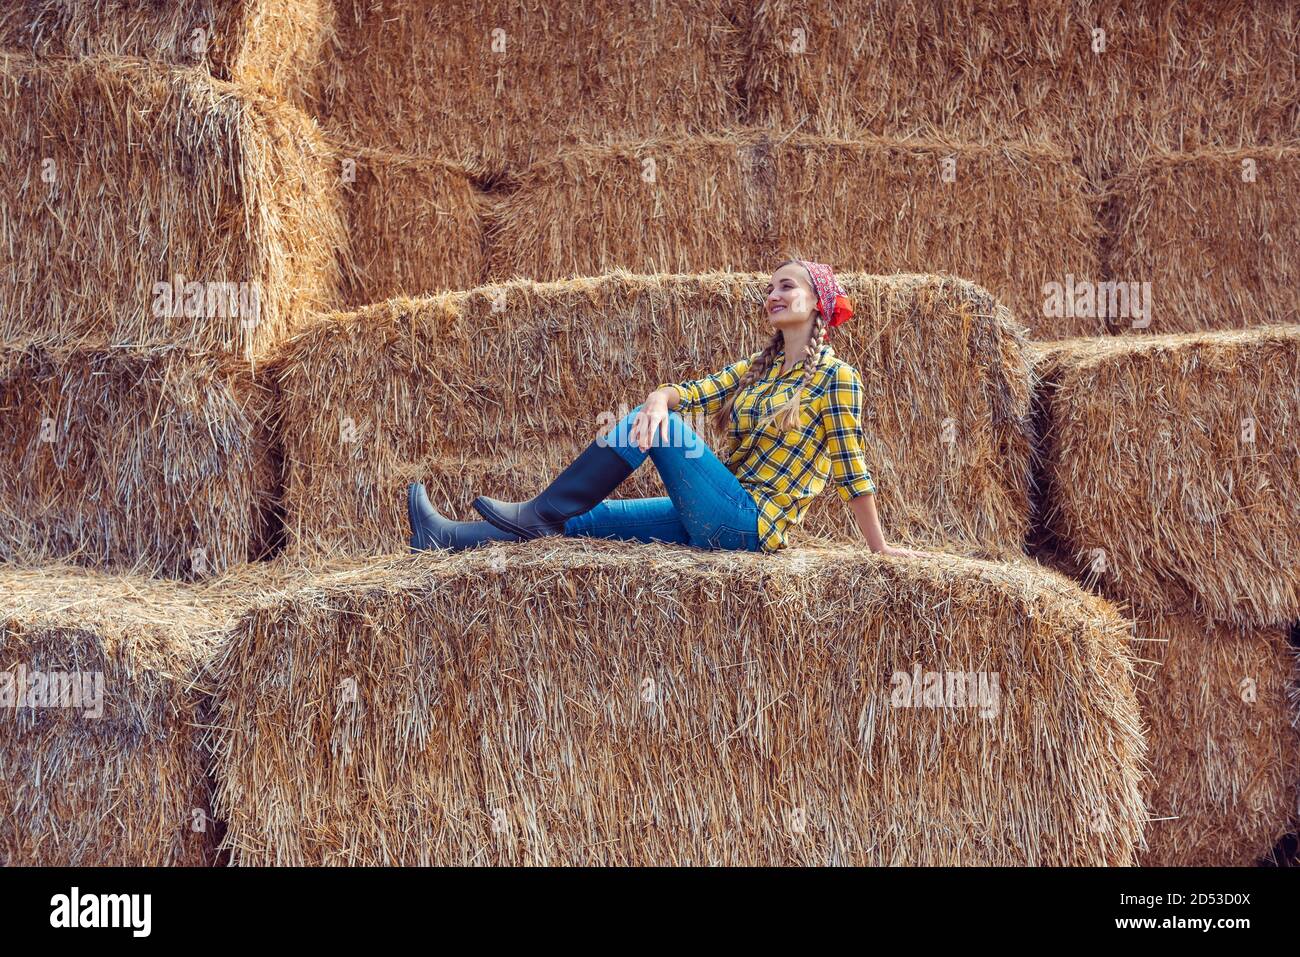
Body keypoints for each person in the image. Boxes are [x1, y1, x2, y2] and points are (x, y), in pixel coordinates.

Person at [408, 259, 923, 558]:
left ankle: (539, 508)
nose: (773, 294)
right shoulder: (758, 368)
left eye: (786, 285)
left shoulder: (838, 379)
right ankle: (445, 537)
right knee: (586, 520)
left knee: (654, 430)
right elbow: (695, 391)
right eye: (769, 287)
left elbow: (852, 469)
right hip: (714, 511)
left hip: (752, 523)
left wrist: (880, 550)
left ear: (818, 301)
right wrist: (658, 397)